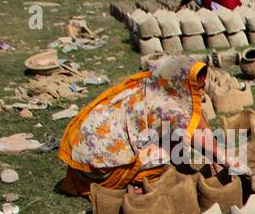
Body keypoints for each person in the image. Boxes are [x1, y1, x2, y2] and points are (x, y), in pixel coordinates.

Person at [58, 56, 243, 199]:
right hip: (96, 166)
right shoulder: (164, 106)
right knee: (169, 153)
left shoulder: (158, 83)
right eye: (198, 87)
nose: (201, 92)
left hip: (87, 153)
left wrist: (216, 151)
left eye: (203, 87)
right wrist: (228, 161)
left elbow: (196, 115)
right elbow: (194, 134)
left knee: (173, 140)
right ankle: (133, 184)